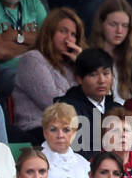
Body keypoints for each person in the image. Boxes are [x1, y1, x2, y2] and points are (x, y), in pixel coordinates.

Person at [13, 9, 82, 142]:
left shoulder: (73, 65)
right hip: (38, 130)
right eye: (63, 31)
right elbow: (53, 103)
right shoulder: (33, 59)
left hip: (71, 131)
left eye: (73, 34)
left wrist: (84, 65)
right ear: (50, 32)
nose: (69, 39)